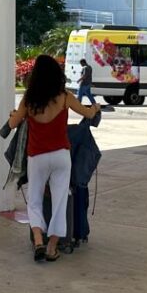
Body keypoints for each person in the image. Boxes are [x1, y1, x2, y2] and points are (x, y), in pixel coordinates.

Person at [8, 54, 100, 262]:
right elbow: (87, 113)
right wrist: (95, 108)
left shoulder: (29, 99)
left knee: (34, 201)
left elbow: (13, 123)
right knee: (60, 201)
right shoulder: (64, 96)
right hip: (61, 156)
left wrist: (12, 115)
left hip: (37, 157)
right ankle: (52, 247)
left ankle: (39, 240)